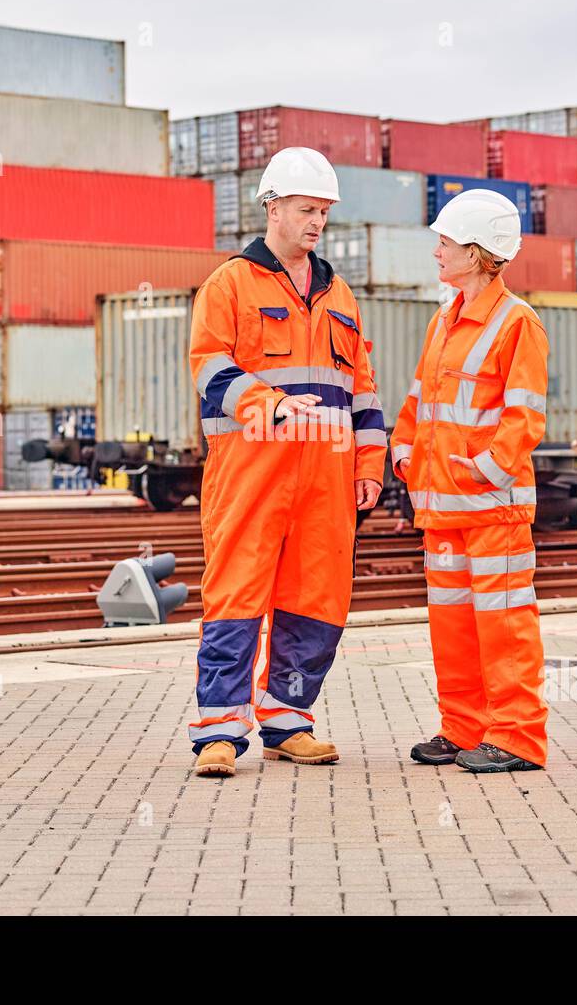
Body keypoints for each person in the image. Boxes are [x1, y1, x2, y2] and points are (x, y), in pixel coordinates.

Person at [187, 146, 385, 778]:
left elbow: (363, 389)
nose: (317, 222)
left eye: (324, 212)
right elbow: (208, 366)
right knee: (237, 594)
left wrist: (370, 465)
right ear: (273, 207)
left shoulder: (341, 296)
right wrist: (266, 403)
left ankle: (287, 721)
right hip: (251, 473)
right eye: (307, 209)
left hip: (325, 481)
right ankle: (219, 730)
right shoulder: (230, 284)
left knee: (317, 599)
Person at [390, 189, 550, 773]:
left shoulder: (517, 322)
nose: (436, 251)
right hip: (443, 509)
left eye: (446, 241)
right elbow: (420, 399)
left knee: (503, 626)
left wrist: (483, 469)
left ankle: (517, 739)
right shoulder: (445, 317)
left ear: (480, 253)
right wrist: (403, 449)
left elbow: (524, 414)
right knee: (454, 628)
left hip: (492, 510)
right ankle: (463, 729)